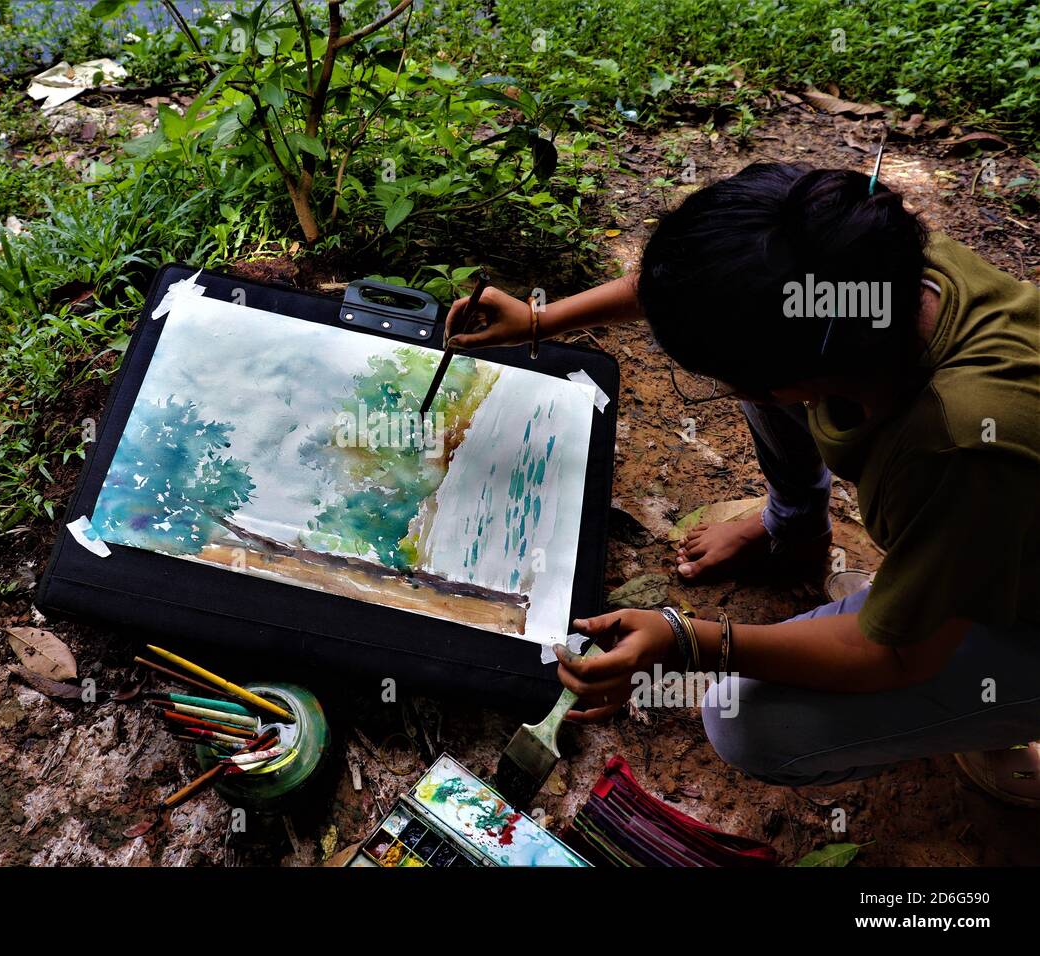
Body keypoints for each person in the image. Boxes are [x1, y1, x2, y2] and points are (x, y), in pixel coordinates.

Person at [444, 161, 1040, 804]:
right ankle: (798, 533)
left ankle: (1004, 717)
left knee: (748, 722)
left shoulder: (955, 446)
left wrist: (688, 640)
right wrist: (540, 321)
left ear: (789, 382)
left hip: (1020, 601)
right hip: (989, 518)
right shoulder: (859, 255)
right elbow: (706, 291)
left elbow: (896, 657)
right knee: (751, 350)